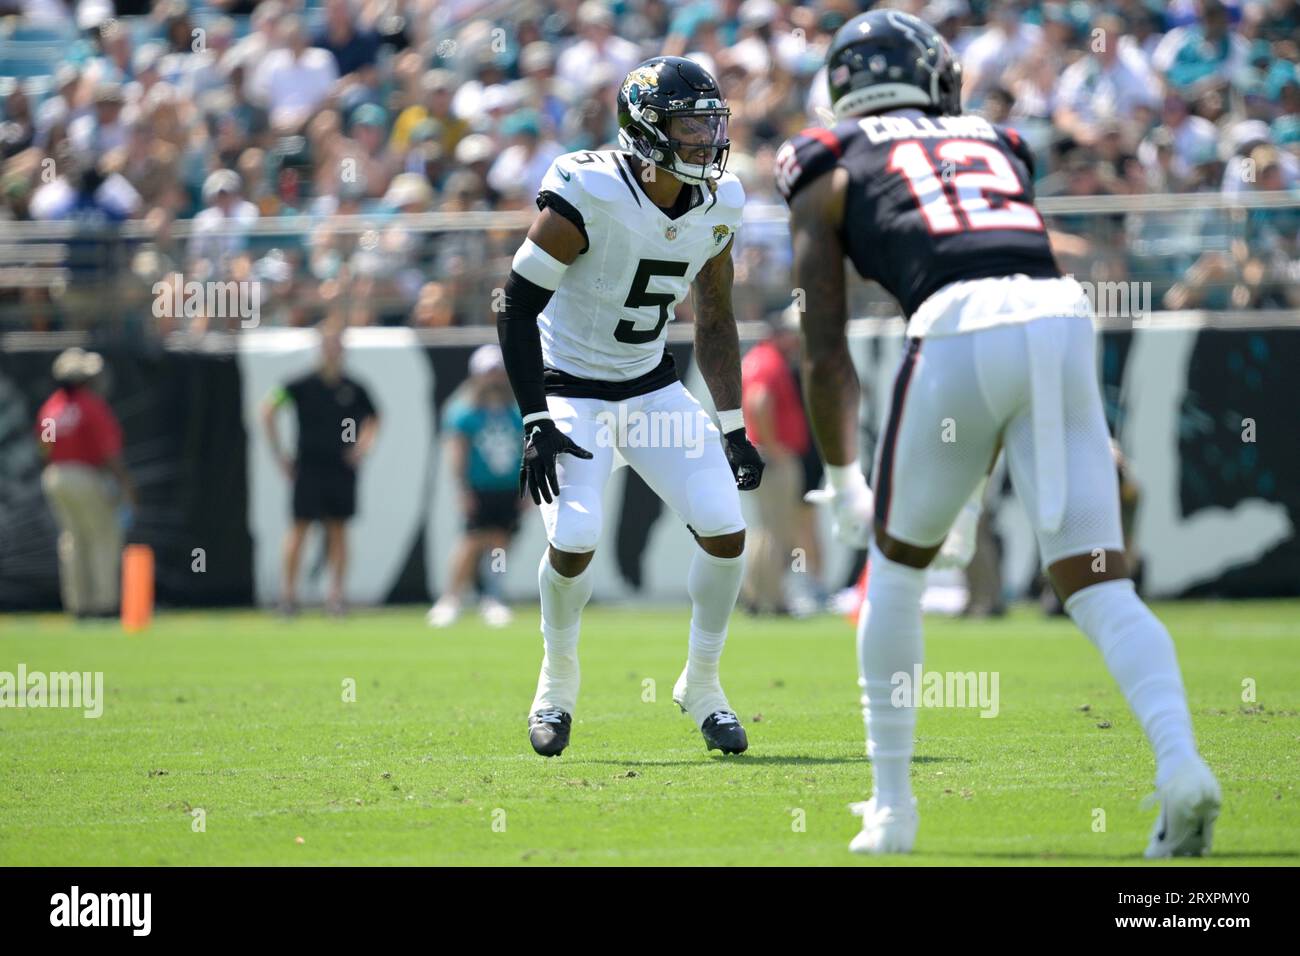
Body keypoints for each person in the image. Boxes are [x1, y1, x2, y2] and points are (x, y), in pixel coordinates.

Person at [779, 10, 1219, 857]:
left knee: (895, 576)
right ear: (932, 73)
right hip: (1058, 317)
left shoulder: (825, 160)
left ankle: (893, 811)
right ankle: (1181, 764)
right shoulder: (996, 139)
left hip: (957, 326)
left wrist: (840, 479)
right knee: (1099, 585)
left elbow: (825, 345)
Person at [497, 56, 764, 757]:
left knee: (726, 528)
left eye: (713, 121)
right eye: (690, 124)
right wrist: (534, 418)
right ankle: (556, 685)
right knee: (576, 536)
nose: (708, 137)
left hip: (649, 388)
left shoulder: (720, 202)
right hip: (568, 388)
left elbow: (715, 316)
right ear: (647, 131)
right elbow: (516, 308)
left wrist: (733, 425)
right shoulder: (588, 190)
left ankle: (702, 684)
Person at [262, 321, 379, 616]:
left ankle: (336, 597)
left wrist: (361, 448)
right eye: (328, 344)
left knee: (339, 529)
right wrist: (280, 455)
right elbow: (268, 409)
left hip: (340, 467)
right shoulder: (300, 384)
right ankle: (288, 597)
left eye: (337, 345)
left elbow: (374, 418)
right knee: (300, 528)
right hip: (309, 466)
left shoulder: (353, 387)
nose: (333, 350)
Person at [35, 348, 137, 619]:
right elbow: (110, 454)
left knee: (73, 539)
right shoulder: (91, 406)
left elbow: (44, 448)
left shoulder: (51, 407)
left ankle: (78, 605)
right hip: (85, 475)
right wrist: (126, 487)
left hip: (55, 475)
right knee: (103, 536)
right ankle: (104, 604)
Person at [427, 345, 523, 629]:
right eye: (489, 372)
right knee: (470, 542)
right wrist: (462, 488)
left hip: (508, 488)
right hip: (479, 487)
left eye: (498, 372)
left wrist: (527, 487)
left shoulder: (515, 410)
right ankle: (451, 599)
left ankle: (492, 597)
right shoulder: (464, 411)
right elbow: (457, 451)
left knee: (500, 544)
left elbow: (525, 448)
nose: (494, 378)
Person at [738, 307, 808, 616]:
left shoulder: (757, 359)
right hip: (772, 458)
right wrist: (773, 445)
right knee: (776, 532)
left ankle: (754, 596)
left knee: (763, 529)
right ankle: (775, 599)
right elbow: (759, 401)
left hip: (759, 456)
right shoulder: (771, 363)